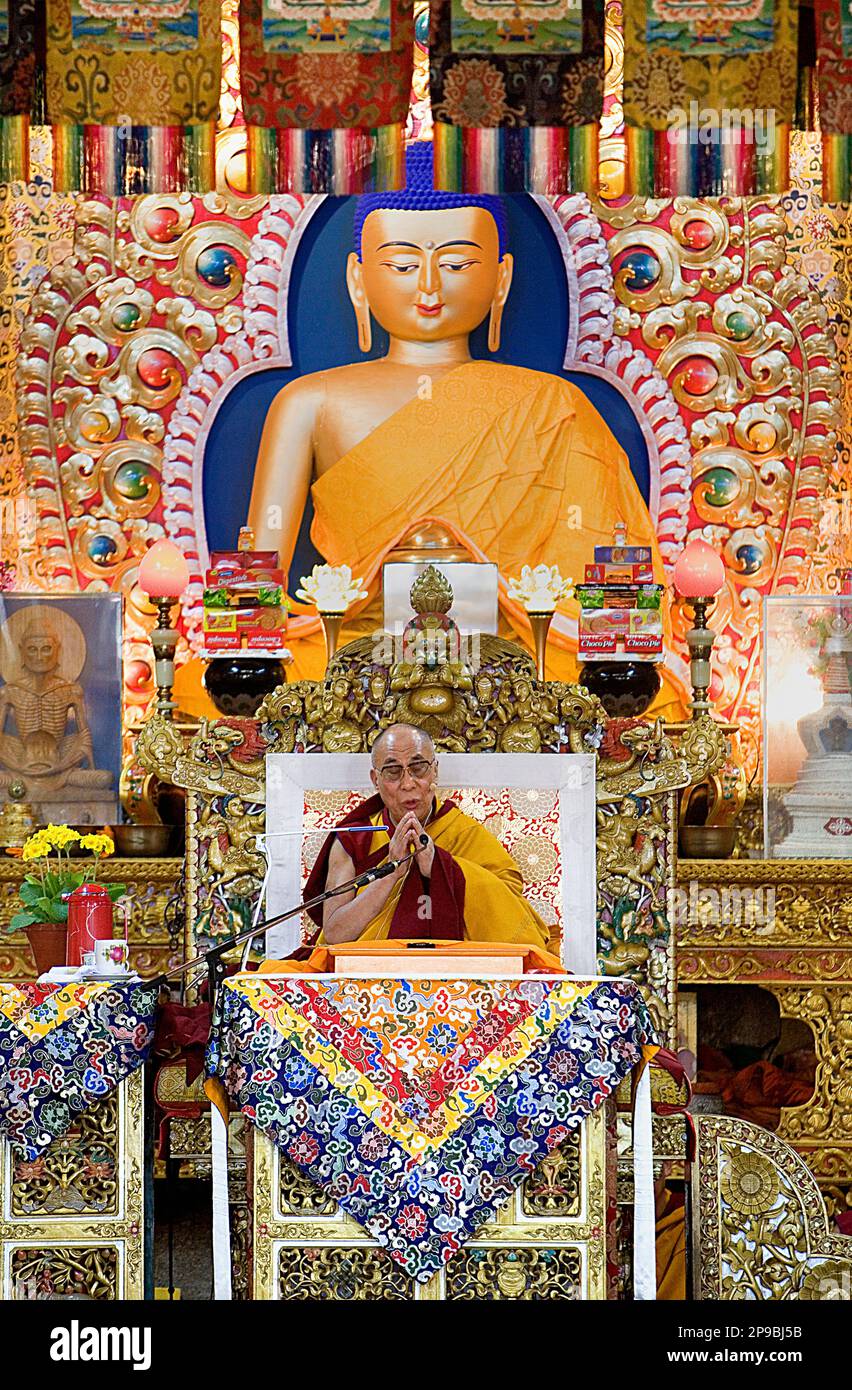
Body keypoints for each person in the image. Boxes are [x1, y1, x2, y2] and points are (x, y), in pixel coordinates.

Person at [246, 142, 685, 717]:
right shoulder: (309, 401)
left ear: (501, 278)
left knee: (630, 697)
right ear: (358, 278)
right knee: (232, 690)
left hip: (514, 657)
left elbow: (604, 581)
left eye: (456, 265)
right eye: (402, 266)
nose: (428, 287)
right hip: (355, 656)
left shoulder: (551, 403)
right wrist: (251, 642)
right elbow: (255, 574)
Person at [262, 722, 562, 972]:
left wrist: (439, 865)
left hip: (459, 973)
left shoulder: (461, 831)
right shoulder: (356, 838)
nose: (408, 783)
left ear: (434, 771)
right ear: (375, 779)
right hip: (368, 975)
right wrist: (392, 870)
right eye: (393, 771)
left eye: (418, 767)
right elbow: (335, 935)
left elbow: (513, 916)